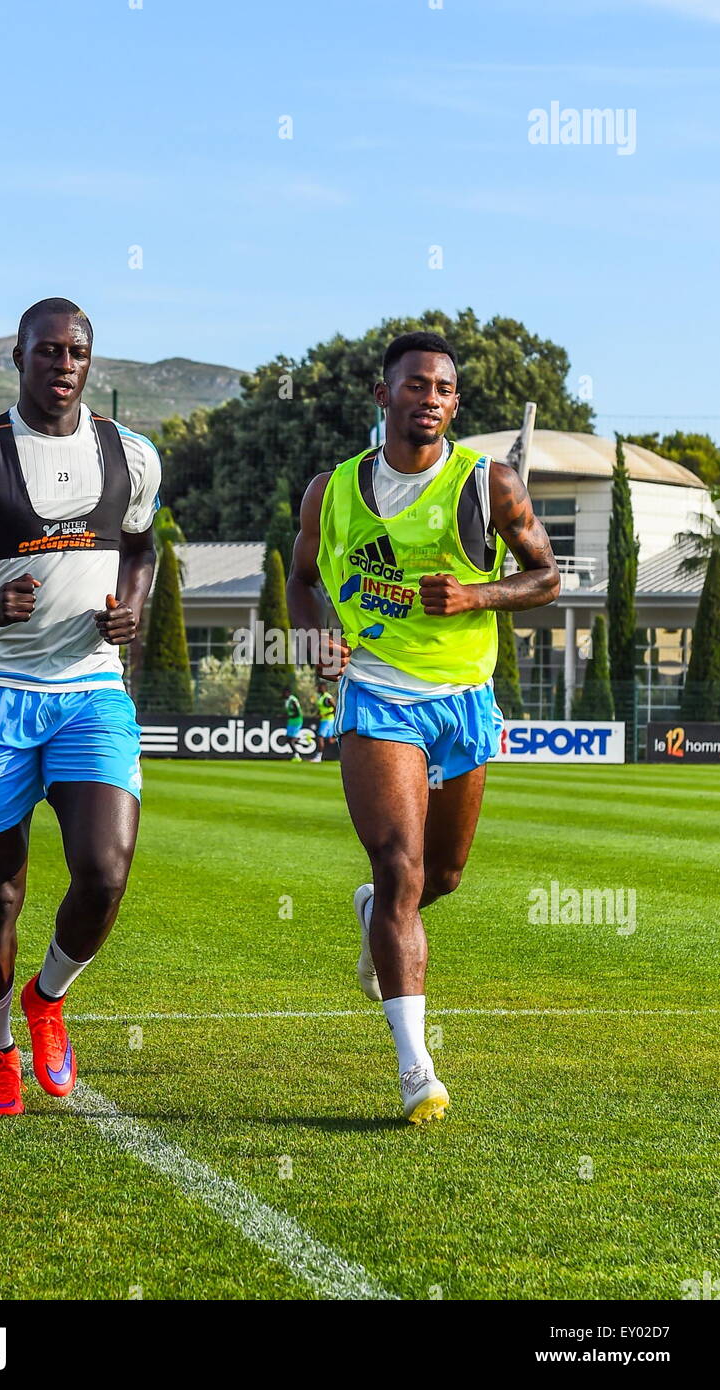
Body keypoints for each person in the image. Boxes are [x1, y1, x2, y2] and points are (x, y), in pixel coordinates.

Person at [0, 298, 160, 1117]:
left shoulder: (132, 456)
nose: (62, 365)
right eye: (46, 352)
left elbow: (144, 547)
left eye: (75, 352)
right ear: (18, 359)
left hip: (90, 692)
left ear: (90, 361)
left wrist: (134, 607)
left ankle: (49, 999)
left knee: (104, 873)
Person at [286, 331, 559, 1123]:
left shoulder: (489, 485)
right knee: (401, 866)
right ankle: (416, 1069)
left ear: (454, 403)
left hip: (463, 699)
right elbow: (303, 583)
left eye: (442, 388)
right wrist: (315, 642)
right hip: (376, 695)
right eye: (414, 385)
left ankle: (375, 915)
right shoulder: (329, 492)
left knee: (440, 878)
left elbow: (545, 578)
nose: (430, 398)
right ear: (383, 397)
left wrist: (478, 597)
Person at [311, 682, 336, 762]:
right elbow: (322, 709)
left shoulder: (328, 697)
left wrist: (325, 714)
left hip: (328, 720)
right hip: (324, 720)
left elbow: (335, 708)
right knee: (330, 740)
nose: (318, 689)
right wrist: (318, 714)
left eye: (319, 687)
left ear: (323, 688)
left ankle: (318, 757)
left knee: (320, 737)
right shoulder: (321, 697)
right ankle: (339, 738)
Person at [282, 685, 304, 760]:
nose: (283, 694)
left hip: (297, 721)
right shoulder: (286, 700)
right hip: (291, 721)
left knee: (291, 739)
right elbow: (289, 712)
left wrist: (289, 716)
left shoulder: (293, 700)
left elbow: (298, 713)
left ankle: (297, 756)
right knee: (288, 739)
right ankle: (302, 739)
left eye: (284, 693)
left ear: (288, 693)